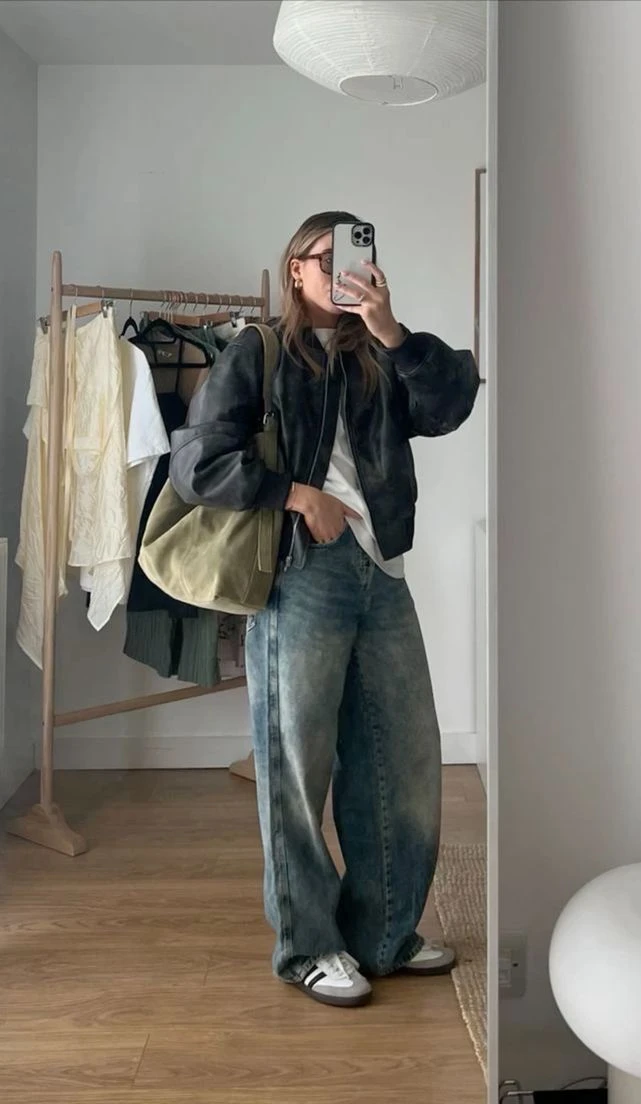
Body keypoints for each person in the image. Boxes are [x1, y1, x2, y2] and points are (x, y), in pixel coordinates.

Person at [170, 211, 480, 1008]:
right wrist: (297, 494)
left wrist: (391, 330)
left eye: (356, 257)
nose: (343, 271)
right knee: (296, 767)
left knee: (404, 761)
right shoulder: (259, 352)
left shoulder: (380, 353)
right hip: (301, 574)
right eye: (326, 256)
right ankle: (309, 946)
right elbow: (196, 463)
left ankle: (384, 935)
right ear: (296, 269)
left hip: (383, 571)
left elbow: (450, 405)